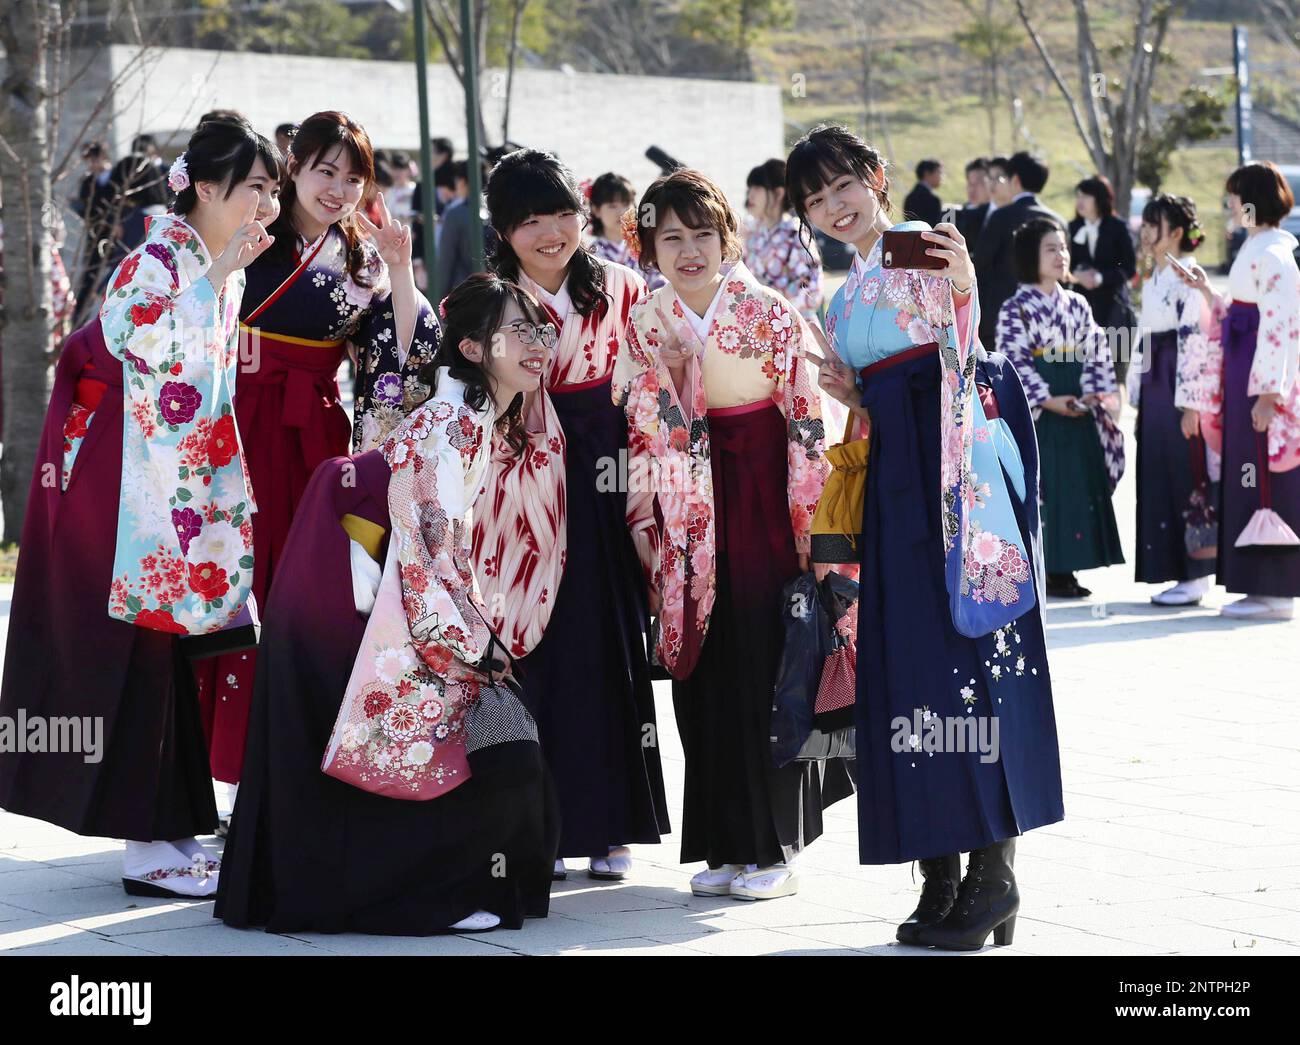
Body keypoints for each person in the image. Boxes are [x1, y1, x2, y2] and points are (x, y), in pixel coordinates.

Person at [787, 123, 1063, 950]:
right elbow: (891, 387)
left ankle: (993, 870)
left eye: (843, 186)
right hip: (897, 483)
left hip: (953, 485)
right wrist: (853, 390)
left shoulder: (924, 249)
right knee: (911, 672)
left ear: (878, 176)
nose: (833, 208)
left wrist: (965, 289)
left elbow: (963, 354)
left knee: (967, 662)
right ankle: (941, 867)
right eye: (814, 200)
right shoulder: (849, 290)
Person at [216, 274, 559, 934]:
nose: (535, 343)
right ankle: (436, 892)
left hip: (372, 568)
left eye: (540, 328)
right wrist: (464, 637)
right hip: (368, 579)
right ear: (472, 346)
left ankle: (415, 885)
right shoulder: (455, 423)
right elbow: (429, 534)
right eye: (518, 330)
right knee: (426, 720)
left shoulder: (471, 417)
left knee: (410, 727)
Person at [0, 117, 281, 898]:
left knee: (172, 658)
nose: (268, 198)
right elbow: (135, 342)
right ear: (208, 186)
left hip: (174, 480)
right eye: (256, 184)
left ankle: (170, 830)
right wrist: (217, 272)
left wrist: (222, 271)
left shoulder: (216, 264)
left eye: (270, 185)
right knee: (138, 658)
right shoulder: (156, 257)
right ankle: (145, 846)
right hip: (132, 493)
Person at [616, 167, 851, 901]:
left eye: (703, 235)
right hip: (687, 510)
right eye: (671, 237)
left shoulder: (770, 312)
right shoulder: (645, 321)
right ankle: (723, 840)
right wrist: (649, 526)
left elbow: (807, 423)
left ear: (729, 238)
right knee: (703, 672)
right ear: (648, 246)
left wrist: (814, 532)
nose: (689, 251)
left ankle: (777, 844)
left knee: (766, 665)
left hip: (763, 499)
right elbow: (641, 426)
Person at [193, 110, 438, 803]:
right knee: (233, 584)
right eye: (324, 170)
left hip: (316, 440)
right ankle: (227, 771)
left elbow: (410, 349)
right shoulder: (249, 237)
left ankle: (301, 761)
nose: (338, 189)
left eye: (353, 177)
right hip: (234, 426)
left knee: (310, 592)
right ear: (292, 167)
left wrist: (398, 266)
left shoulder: (361, 257)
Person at [478, 149, 669, 881]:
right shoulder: (487, 298)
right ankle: (543, 823)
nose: (551, 232)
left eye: (562, 214)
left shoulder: (622, 288)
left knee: (609, 647)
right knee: (535, 649)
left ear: (583, 214)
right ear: (504, 230)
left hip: (605, 475)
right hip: (518, 488)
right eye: (530, 220)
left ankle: (611, 825)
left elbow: (654, 387)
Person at [1175, 161, 1300, 621]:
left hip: (1261, 379)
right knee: (1247, 469)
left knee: (1262, 470)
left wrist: (1269, 394)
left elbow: (1282, 327)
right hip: (1244, 368)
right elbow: (1241, 312)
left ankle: (1277, 590)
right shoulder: (1258, 248)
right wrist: (1209, 294)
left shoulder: (1274, 255)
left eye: (1233, 198)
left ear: (1250, 202)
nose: (1229, 206)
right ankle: (1257, 585)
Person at [997, 218, 1124, 598]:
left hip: (1077, 400)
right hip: (1042, 408)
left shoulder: (1078, 304)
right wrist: (1047, 398)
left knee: (1078, 484)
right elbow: (1012, 360)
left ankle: (1068, 567)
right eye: (1051, 248)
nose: (1061, 255)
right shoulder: (1015, 308)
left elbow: (1097, 352)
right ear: (1029, 256)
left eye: (1063, 248)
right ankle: (1047, 567)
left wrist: (1093, 395)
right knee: (1046, 484)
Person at [1130, 193, 1216, 606]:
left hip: (1176, 380)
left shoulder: (1189, 276)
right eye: (1145, 224)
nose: (1146, 232)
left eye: (1154, 224)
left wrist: (1192, 403)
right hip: (1156, 378)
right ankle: (1174, 569)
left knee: (1184, 471)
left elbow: (1195, 341)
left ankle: (1195, 572)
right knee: (1158, 470)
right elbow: (1143, 338)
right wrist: (1135, 390)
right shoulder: (1156, 277)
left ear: (1177, 232)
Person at [974, 152, 1067, 347]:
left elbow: (980, 265)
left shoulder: (1001, 217)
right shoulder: (1058, 221)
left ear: (1014, 180)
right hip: (1047, 316)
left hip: (1001, 317)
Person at [1069, 176, 1137, 385]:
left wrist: (1100, 278)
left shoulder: (1117, 227)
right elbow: (1066, 264)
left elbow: (1128, 267)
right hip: (1082, 307)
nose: (1080, 201)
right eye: (1078, 196)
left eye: (1086, 196)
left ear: (1099, 199)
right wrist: (1076, 275)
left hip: (1112, 306)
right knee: (1081, 367)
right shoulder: (1072, 227)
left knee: (1114, 369)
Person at [743, 157, 824, 325]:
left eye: (757, 188)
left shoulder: (796, 234)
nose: (749, 194)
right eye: (749, 188)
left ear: (779, 193)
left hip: (795, 327)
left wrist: (765, 293)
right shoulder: (751, 235)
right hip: (759, 329)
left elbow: (811, 291)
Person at [586, 171, 665, 290]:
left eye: (626, 204)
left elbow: (658, 279)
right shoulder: (592, 255)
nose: (621, 212)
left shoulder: (645, 246)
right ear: (596, 210)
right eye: (612, 206)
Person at [70, 140, 116, 325]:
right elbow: (85, 208)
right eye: (88, 161)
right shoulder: (88, 181)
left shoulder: (117, 177)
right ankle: (77, 321)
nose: (91, 164)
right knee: (88, 279)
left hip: (116, 235)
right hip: (95, 235)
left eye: (94, 159)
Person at [434, 160, 475, 300]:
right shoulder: (494, 211)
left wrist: (439, 293)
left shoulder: (456, 213)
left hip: (463, 288)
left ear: (463, 182)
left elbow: (447, 257)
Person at [956, 157, 991, 250]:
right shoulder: (959, 214)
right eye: (970, 183)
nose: (972, 189)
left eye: (979, 183)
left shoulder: (997, 215)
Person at [903, 159, 944, 226]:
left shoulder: (909, 198)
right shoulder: (933, 200)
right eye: (939, 172)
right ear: (927, 173)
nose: (941, 177)